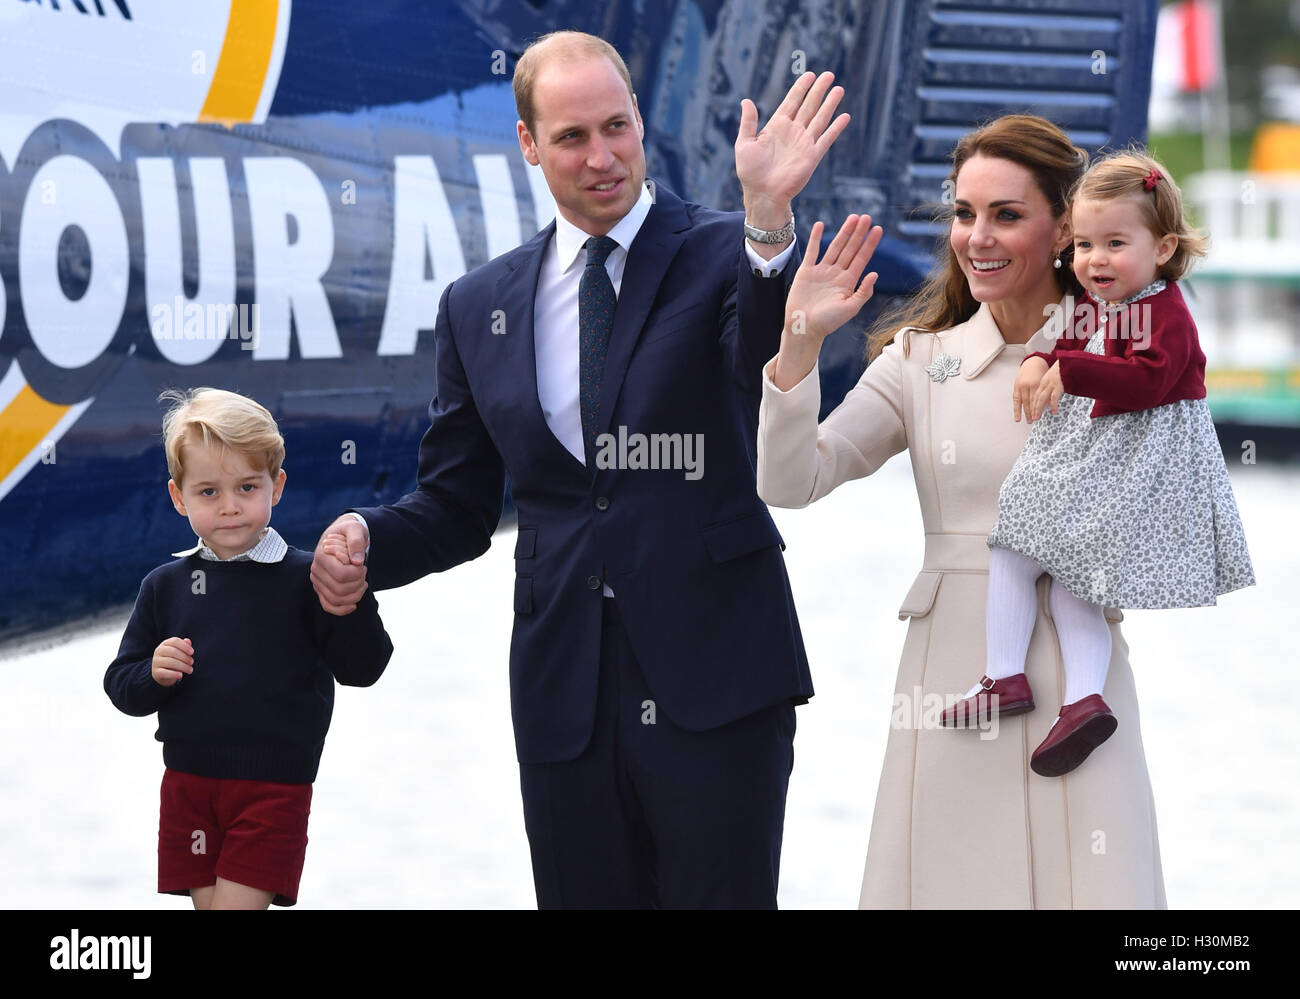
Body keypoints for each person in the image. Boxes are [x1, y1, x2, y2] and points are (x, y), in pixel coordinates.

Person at [309, 31, 845, 907]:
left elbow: (759, 363)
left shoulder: (725, 253)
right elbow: (455, 506)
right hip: (566, 699)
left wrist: (768, 220)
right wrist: (365, 539)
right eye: (571, 138)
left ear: (640, 121)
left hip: (716, 683)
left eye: (617, 128)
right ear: (527, 143)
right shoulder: (477, 304)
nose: (602, 158)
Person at [757, 115, 1167, 908]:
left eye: (1006, 215)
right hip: (952, 682)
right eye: (963, 212)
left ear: (1062, 231)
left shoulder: (1130, 360)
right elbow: (792, 481)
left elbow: (1158, 513)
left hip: (1082, 686)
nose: (976, 236)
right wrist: (799, 342)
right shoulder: (919, 362)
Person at [946, 150, 1255, 777]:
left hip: (1138, 467)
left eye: (1115, 243)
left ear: (1163, 247)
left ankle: (1039, 687)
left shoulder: (1167, 311)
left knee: (1033, 557)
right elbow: (1066, 341)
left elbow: (1148, 381)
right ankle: (1053, 692)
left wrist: (1069, 369)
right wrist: (1040, 360)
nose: (1095, 260)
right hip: (1098, 458)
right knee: (1048, 567)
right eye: (1084, 245)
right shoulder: (1093, 302)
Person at [104, 388, 392, 909]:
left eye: (247, 486)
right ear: (178, 496)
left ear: (276, 486)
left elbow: (364, 667)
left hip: (272, 788)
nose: (231, 506)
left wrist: (348, 602)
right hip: (189, 786)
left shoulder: (308, 577)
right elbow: (122, 685)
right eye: (208, 492)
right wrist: (154, 672)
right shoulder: (164, 585)